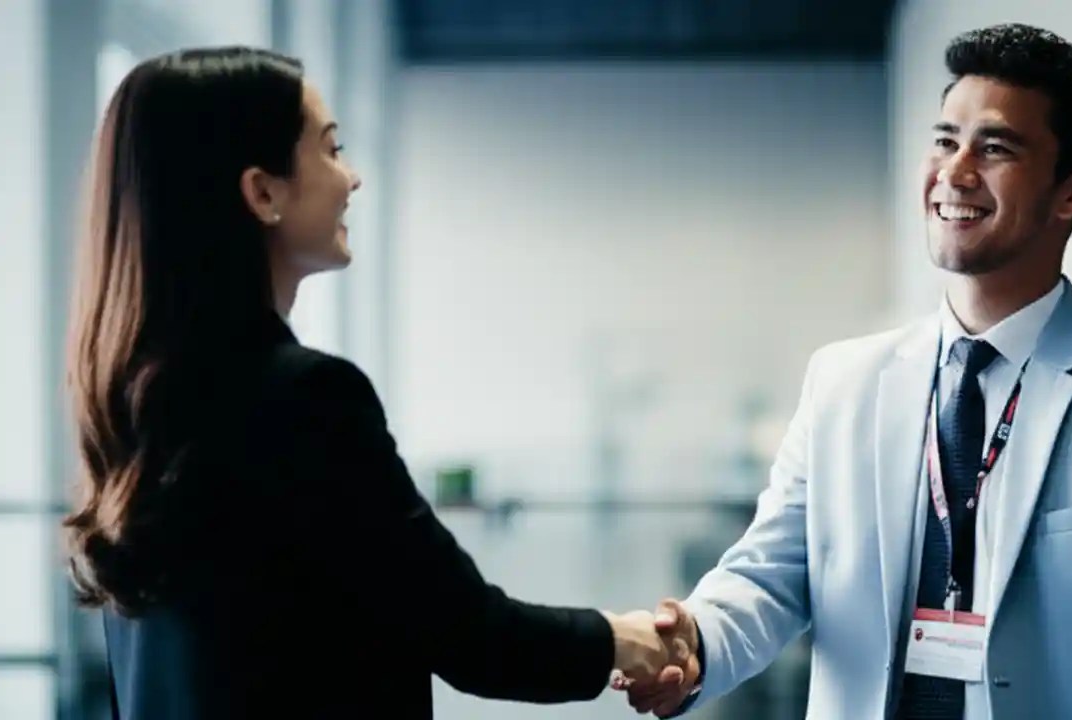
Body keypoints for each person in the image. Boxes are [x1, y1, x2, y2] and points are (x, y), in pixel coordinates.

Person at [623, 23, 1072, 719]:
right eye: (946, 141)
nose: (954, 173)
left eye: (995, 148)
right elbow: (772, 574)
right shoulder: (842, 382)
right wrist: (694, 645)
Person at [62, 47, 687, 720]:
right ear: (263, 193)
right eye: (330, 150)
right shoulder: (305, 398)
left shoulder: (138, 400)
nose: (352, 178)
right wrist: (626, 641)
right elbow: (471, 633)